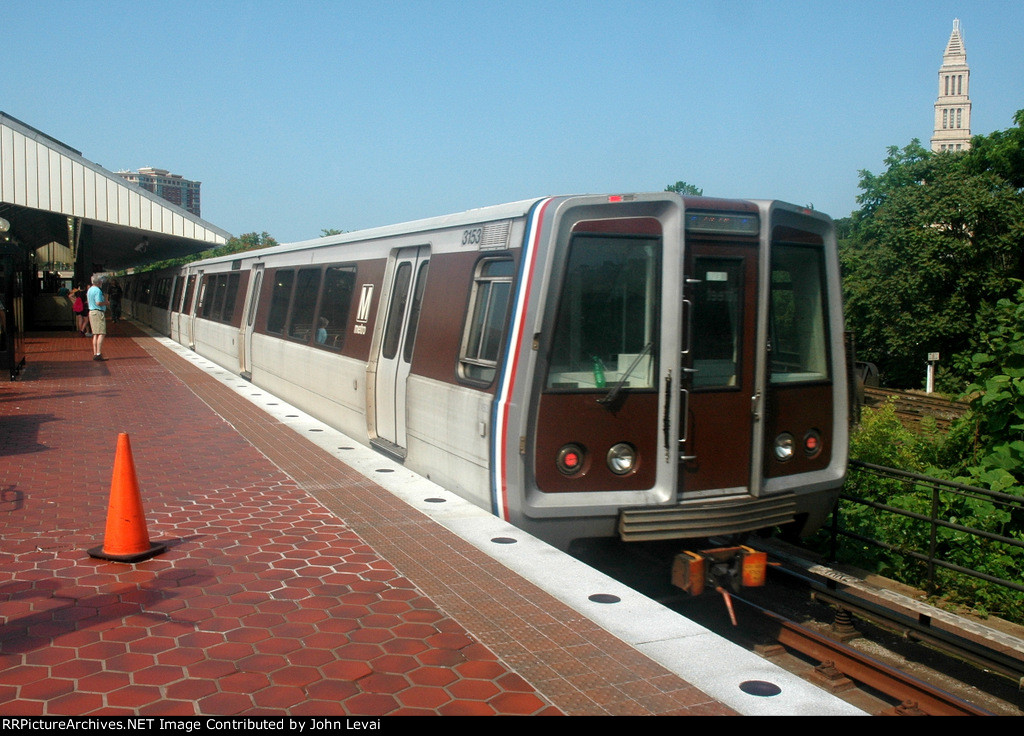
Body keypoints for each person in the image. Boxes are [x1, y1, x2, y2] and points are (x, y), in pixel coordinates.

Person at [87, 274, 108, 361]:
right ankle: (99, 353)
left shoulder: (90, 290)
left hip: (91, 312)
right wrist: (106, 303)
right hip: (98, 312)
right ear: (99, 282)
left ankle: (95, 353)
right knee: (102, 333)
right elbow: (98, 302)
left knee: (95, 334)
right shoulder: (97, 290)